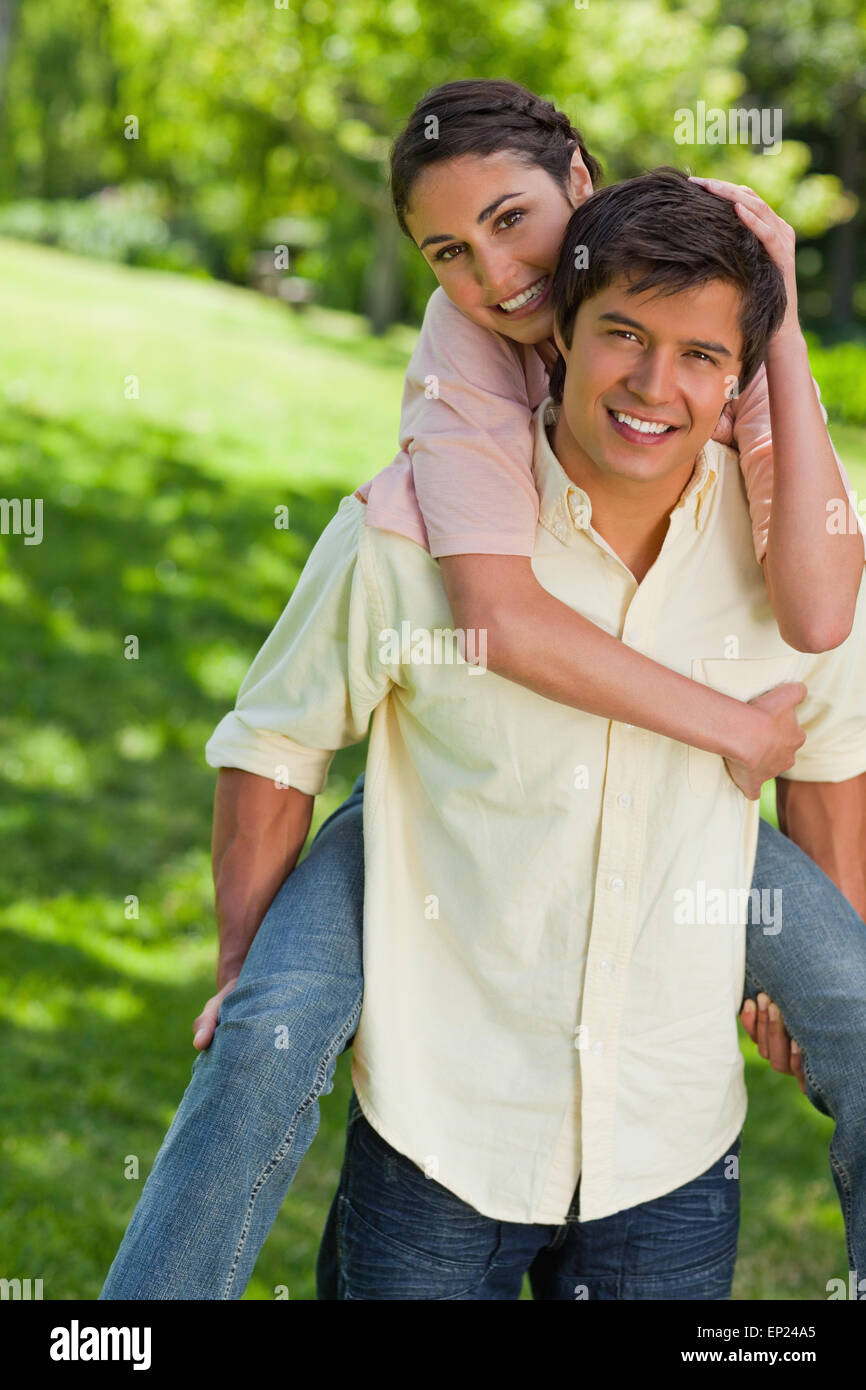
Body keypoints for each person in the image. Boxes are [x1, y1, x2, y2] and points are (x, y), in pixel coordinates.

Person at [99, 85, 866, 1302]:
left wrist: (769, 321)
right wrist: (241, 954)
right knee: (264, 1032)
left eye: (513, 223)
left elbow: (824, 673)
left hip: (664, 1119)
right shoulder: (439, 432)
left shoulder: (742, 435)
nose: (496, 276)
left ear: (580, 177)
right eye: (449, 251)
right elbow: (488, 621)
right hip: (441, 1027)